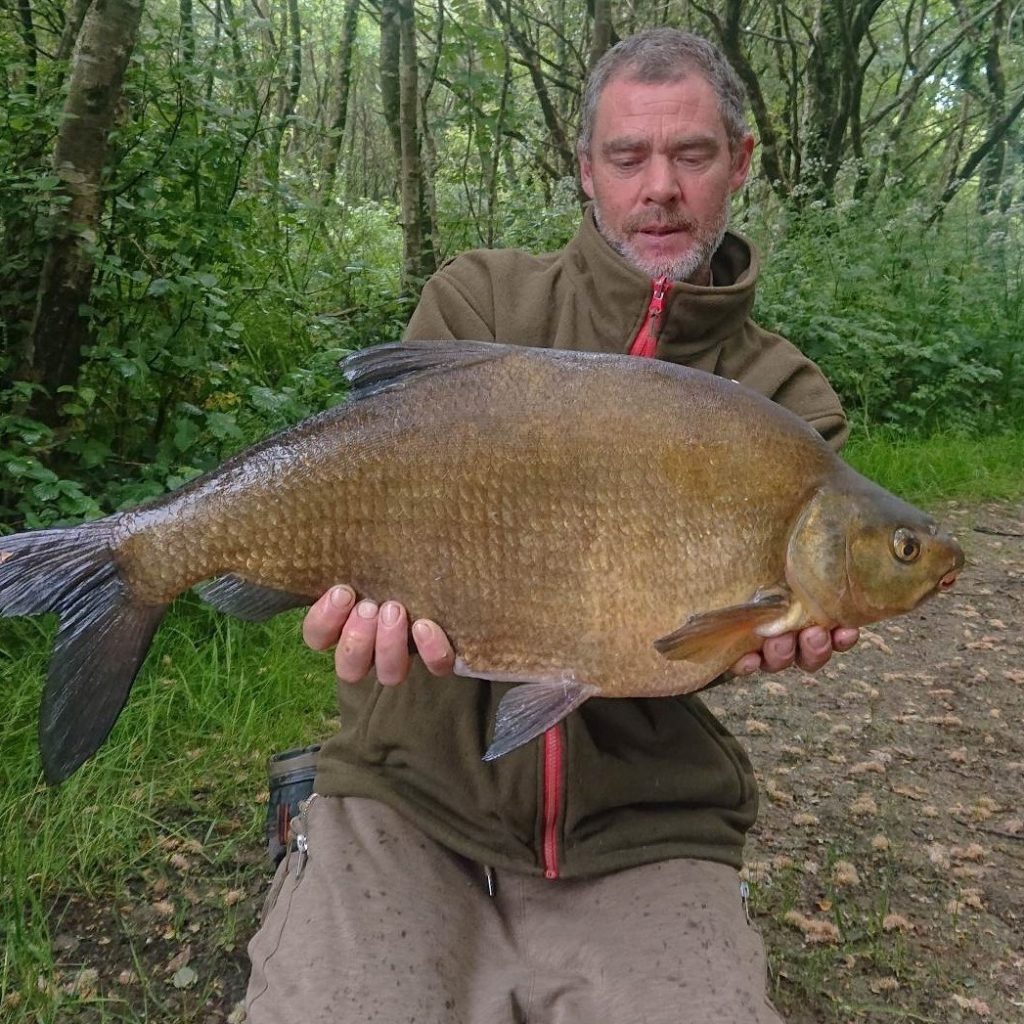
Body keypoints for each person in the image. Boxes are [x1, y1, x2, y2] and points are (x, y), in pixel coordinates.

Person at [245, 28, 859, 1023]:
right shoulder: (479, 300)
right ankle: (316, 819)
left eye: (691, 154)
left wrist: (748, 641)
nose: (659, 185)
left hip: (642, 820)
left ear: (739, 164)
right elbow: (367, 484)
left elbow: (728, 630)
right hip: (412, 786)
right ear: (585, 170)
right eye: (627, 156)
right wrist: (346, 598)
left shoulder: (783, 399)